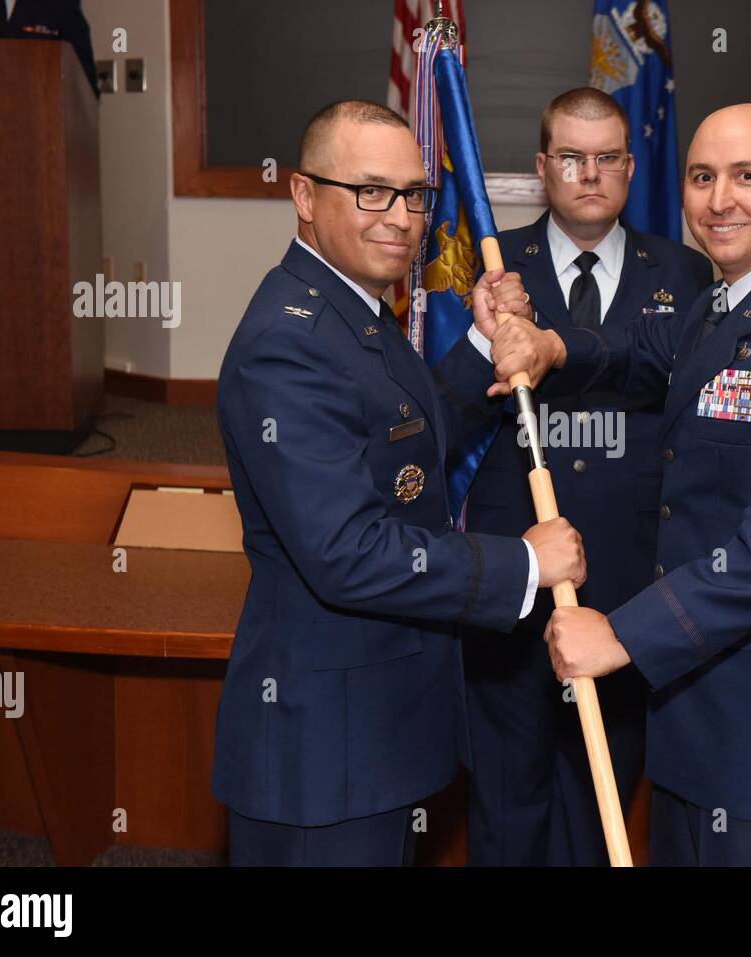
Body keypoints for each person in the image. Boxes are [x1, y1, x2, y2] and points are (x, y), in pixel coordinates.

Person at [483, 104, 751, 866]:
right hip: (695, 720)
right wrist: (548, 343)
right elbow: (637, 347)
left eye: (747, 176)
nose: (718, 200)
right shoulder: (721, 305)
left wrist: (621, 633)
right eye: (702, 176)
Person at [211, 100, 590, 866]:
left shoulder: (351, 311)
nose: (403, 217)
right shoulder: (288, 345)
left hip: (370, 729)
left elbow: (406, 447)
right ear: (304, 196)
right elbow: (346, 549)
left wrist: (482, 342)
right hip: (322, 757)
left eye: (415, 195)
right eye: (371, 191)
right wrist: (521, 563)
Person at [459, 87, 711, 866]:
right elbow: (453, 408)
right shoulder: (496, 265)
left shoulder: (685, 270)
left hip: (629, 574)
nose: (590, 174)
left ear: (632, 169)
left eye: (607, 159)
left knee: (601, 791)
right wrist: (482, 331)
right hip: (517, 567)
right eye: (571, 157)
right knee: (506, 796)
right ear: (543, 167)